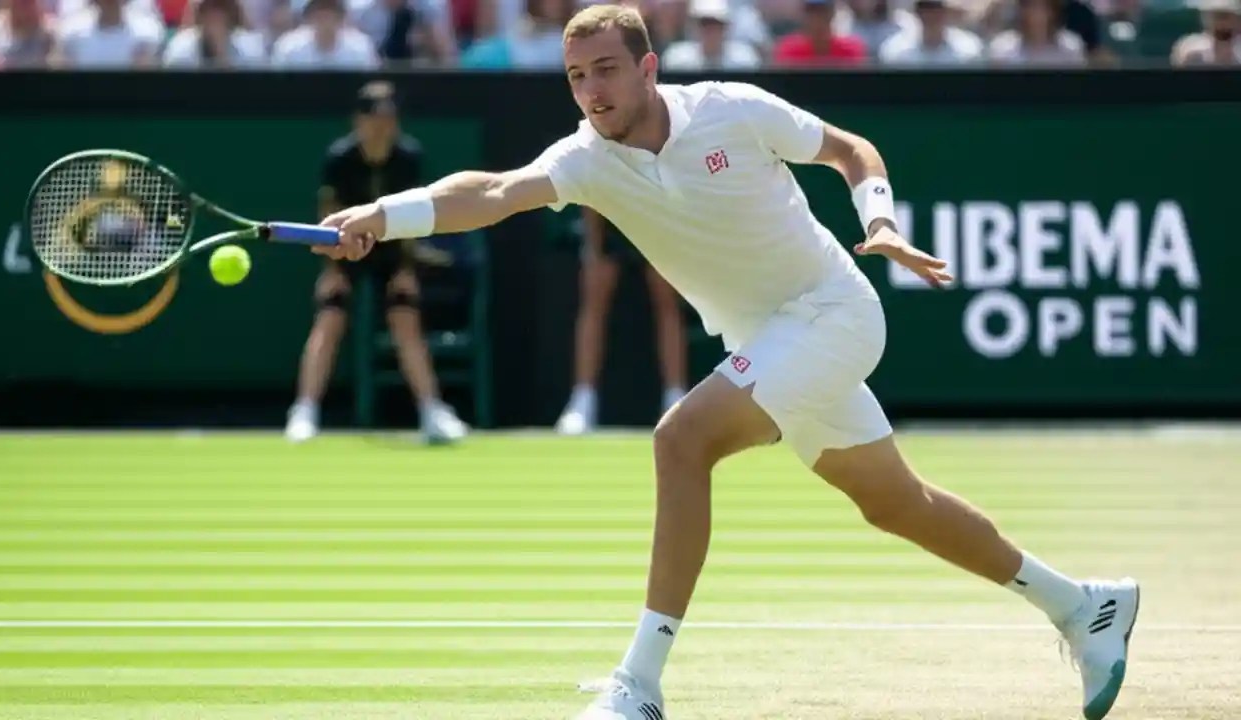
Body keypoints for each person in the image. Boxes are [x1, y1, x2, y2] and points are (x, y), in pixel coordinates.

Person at [313, 6, 1140, 720]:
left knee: (681, 441)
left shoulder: (731, 109)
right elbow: (492, 192)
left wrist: (879, 220)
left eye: (606, 70)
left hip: (833, 314)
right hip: (769, 340)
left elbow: (850, 149)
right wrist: (386, 216)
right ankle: (1085, 607)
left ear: (648, 67)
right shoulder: (585, 157)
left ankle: (638, 685)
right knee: (898, 504)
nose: (592, 91)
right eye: (576, 77)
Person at [285, 81, 470, 445]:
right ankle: (304, 411)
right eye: (374, 117)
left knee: (405, 318)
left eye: (389, 118)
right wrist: (333, 270)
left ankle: (433, 412)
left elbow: (414, 219)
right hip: (345, 250)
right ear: (358, 120)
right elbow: (328, 214)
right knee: (330, 315)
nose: (382, 125)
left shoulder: (409, 156)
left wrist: (405, 269)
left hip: (393, 252)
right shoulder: (339, 158)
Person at [555, 207, 688, 435]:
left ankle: (676, 400)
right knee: (594, 300)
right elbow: (592, 180)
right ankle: (582, 403)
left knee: (667, 303)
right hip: (610, 212)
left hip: (655, 211)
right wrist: (593, 246)